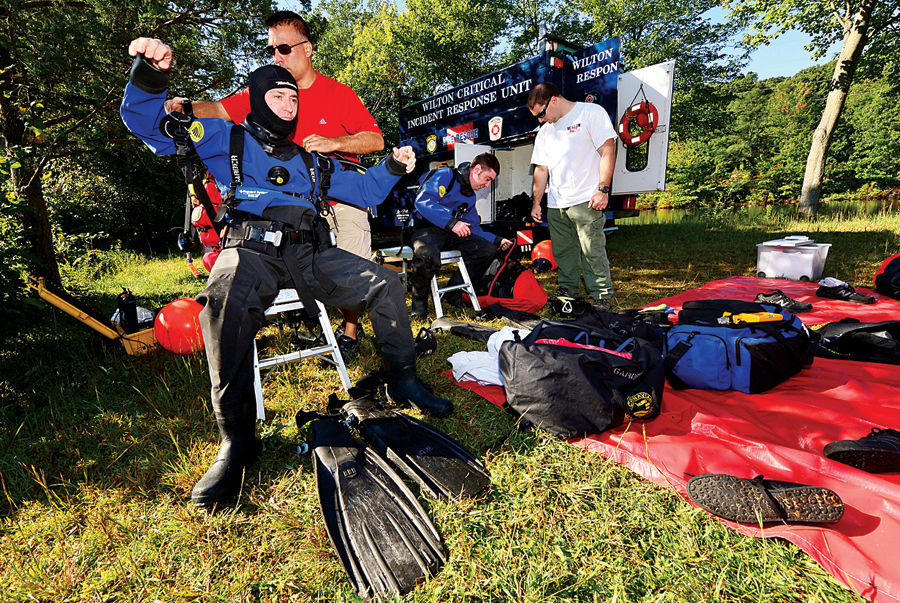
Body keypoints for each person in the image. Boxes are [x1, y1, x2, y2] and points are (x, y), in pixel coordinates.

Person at [122, 37, 453, 508]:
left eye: (293, 97)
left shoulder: (310, 158)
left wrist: (394, 167)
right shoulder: (225, 137)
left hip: (310, 253)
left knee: (385, 282)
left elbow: (366, 190)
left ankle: (403, 377)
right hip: (251, 249)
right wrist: (151, 74)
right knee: (220, 306)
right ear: (257, 99)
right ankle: (237, 438)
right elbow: (148, 124)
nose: (288, 103)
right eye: (277, 95)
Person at [166, 11, 380, 360]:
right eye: (271, 51)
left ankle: (350, 332)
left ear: (307, 49)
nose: (276, 57)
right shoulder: (264, 91)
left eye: (283, 49)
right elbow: (219, 109)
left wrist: (333, 142)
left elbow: (374, 140)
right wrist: (186, 106)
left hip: (340, 195)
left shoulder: (338, 93)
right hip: (290, 205)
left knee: (353, 270)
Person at [528, 82, 617, 312]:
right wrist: (536, 202)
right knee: (563, 252)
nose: (540, 120)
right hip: (557, 204)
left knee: (592, 250)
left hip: (587, 199)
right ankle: (568, 290)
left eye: (541, 113)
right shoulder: (545, 132)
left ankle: (601, 295)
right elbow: (541, 169)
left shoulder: (590, 112)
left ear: (554, 100)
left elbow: (608, 150)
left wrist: (603, 189)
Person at [409, 153, 513, 320]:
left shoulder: (470, 197)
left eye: (490, 182)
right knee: (426, 255)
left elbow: (474, 229)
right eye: (487, 179)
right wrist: (452, 223)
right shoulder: (445, 176)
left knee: (486, 250)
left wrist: (497, 240)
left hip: (450, 232)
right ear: (477, 170)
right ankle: (419, 307)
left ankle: (454, 291)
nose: (487, 185)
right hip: (426, 229)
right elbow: (423, 201)